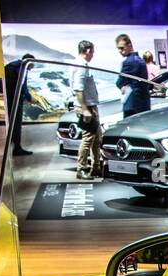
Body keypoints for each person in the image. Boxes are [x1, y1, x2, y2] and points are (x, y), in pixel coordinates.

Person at [70, 40, 102, 179]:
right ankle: (81, 168)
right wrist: (85, 109)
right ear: (88, 51)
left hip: (89, 105)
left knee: (96, 138)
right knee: (88, 138)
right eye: (93, 52)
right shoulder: (81, 65)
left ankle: (96, 167)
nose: (93, 54)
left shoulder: (78, 64)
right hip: (86, 106)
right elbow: (78, 88)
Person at [4, 52, 34, 156]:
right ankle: (16, 148)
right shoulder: (18, 68)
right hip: (14, 100)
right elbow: (21, 86)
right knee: (16, 124)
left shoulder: (16, 67)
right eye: (33, 63)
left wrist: (28, 97)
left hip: (13, 99)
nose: (33, 66)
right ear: (29, 61)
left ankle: (16, 146)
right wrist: (28, 97)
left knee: (14, 124)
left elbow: (22, 85)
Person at [115, 33, 150, 118]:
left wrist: (123, 86)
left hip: (132, 103)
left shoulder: (128, 62)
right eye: (118, 48)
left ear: (129, 45)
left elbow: (119, 82)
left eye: (122, 48)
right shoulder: (141, 60)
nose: (120, 51)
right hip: (144, 102)